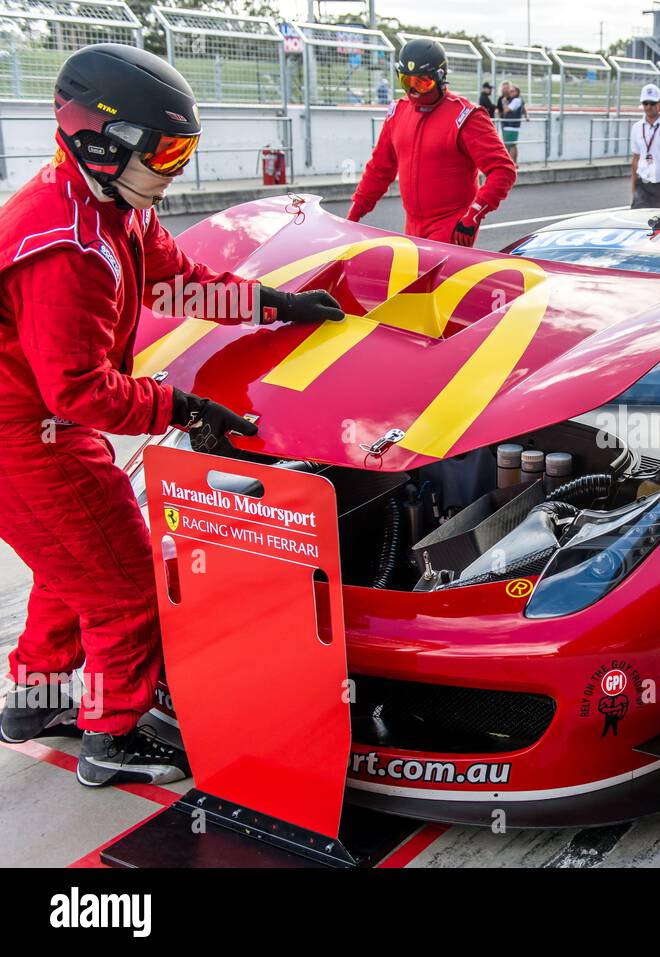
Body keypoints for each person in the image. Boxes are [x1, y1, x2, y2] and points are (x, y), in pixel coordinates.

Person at [0, 44, 344, 786]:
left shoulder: (109, 202)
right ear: (106, 138)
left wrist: (273, 305)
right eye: (168, 148)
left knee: (71, 564)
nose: (177, 164)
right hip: (28, 438)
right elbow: (78, 391)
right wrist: (181, 405)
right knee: (125, 585)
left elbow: (180, 284)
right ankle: (111, 737)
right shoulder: (66, 246)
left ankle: (33, 701)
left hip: (37, 429)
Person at [347, 38, 516, 246]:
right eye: (406, 81)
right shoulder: (397, 113)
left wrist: (474, 214)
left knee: (432, 279)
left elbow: (503, 169)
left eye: (422, 82)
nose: (413, 91)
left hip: (451, 227)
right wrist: (354, 215)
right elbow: (379, 169)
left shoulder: (466, 116)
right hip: (412, 227)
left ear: (440, 78)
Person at [499, 82, 527, 164]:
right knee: (512, 145)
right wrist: (526, 115)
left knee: (510, 145)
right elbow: (524, 108)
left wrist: (504, 103)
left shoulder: (516, 100)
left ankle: (512, 163)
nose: (510, 93)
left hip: (511, 126)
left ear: (517, 92)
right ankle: (514, 163)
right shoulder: (517, 100)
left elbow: (506, 110)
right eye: (510, 91)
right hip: (510, 126)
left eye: (512, 91)